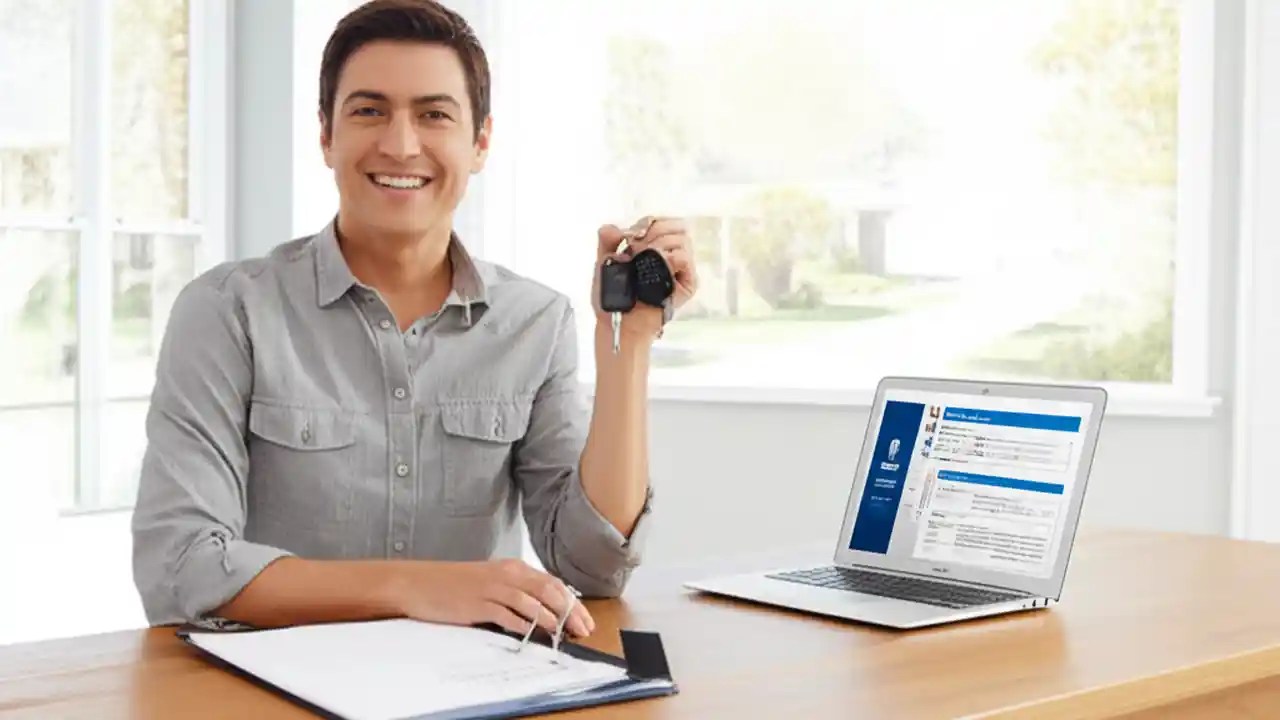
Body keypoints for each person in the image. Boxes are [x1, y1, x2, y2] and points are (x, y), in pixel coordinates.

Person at [130, 0, 697, 643]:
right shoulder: (228, 310)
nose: (401, 145)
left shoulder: (535, 322)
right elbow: (180, 570)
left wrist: (627, 343)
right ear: (326, 135)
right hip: (269, 689)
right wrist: (417, 588)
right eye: (369, 110)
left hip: (468, 688)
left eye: (434, 114)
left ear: (480, 141)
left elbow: (593, 566)